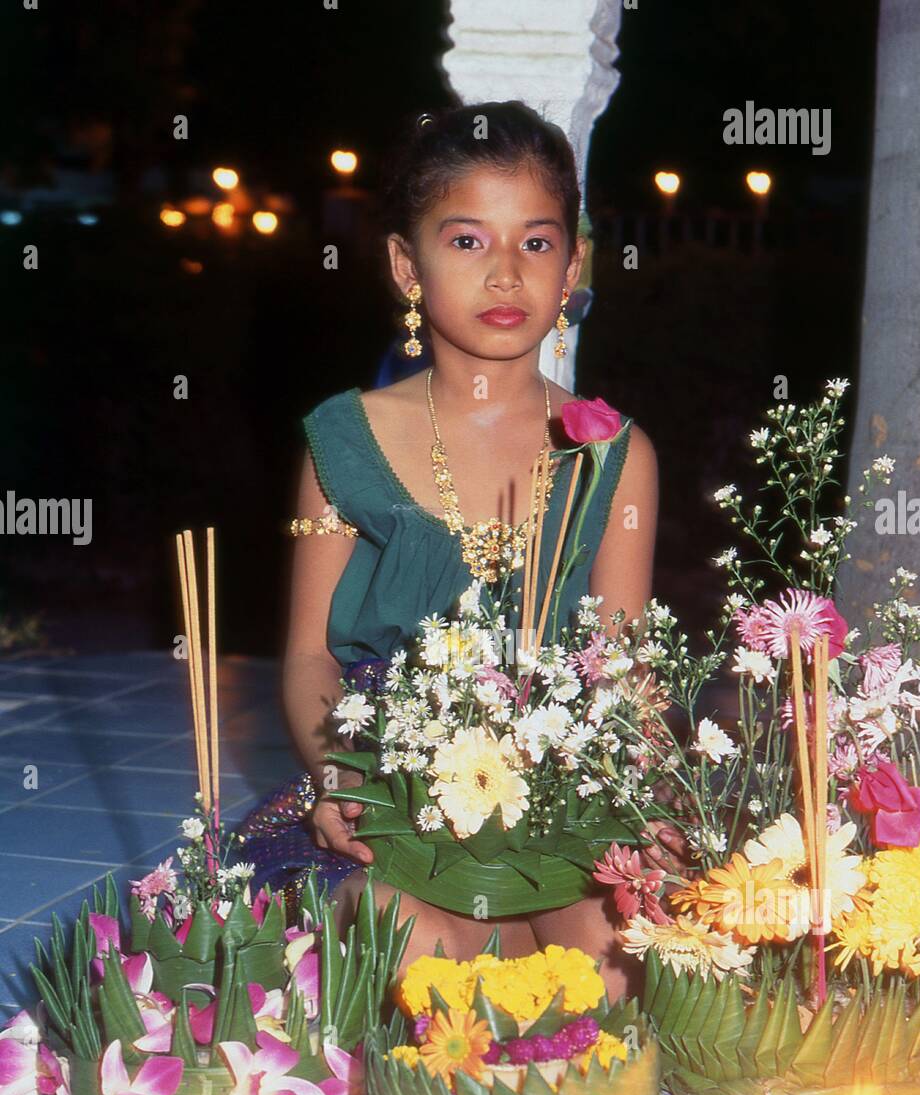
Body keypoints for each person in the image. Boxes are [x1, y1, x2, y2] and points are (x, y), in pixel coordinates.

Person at [239, 101, 682, 999]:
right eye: (469, 242)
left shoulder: (616, 456)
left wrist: (658, 804)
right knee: (399, 954)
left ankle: (530, 969)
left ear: (575, 265)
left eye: (539, 243)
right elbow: (310, 655)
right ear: (408, 263)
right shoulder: (344, 441)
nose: (507, 274)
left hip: (561, 814)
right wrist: (338, 779)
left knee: (624, 967)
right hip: (396, 808)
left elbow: (629, 670)